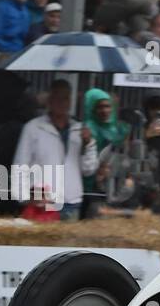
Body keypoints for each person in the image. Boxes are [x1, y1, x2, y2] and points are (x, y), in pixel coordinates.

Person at [10, 80, 99, 221]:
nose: (61, 102)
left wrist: (89, 144)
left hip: (71, 202)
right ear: (49, 100)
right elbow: (20, 165)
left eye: (65, 98)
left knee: (68, 242)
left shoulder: (79, 130)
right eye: (57, 97)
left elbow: (89, 169)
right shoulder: (33, 128)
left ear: (70, 101)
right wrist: (24, 198)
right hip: (44, 203)